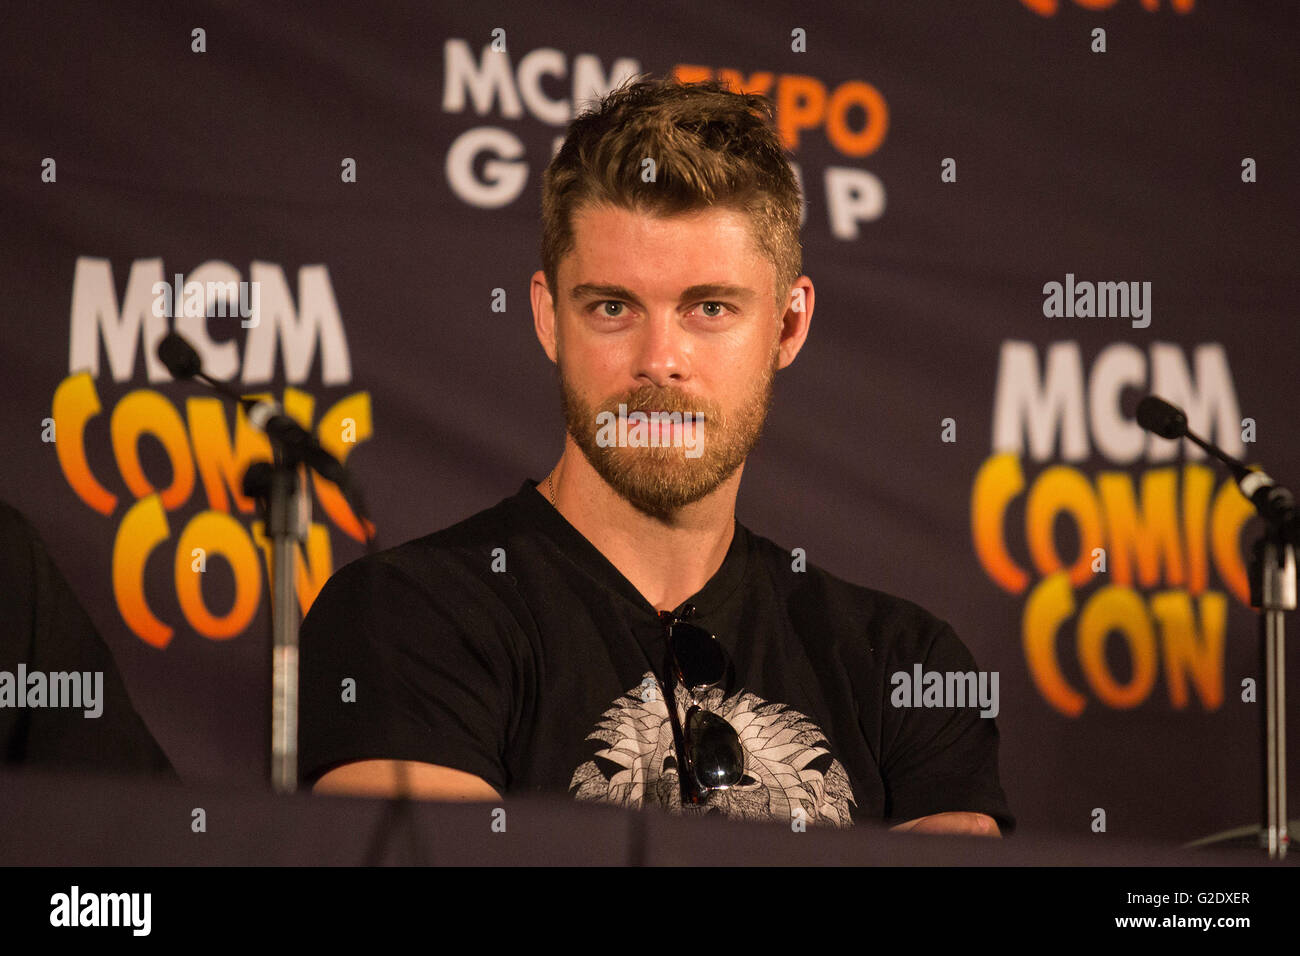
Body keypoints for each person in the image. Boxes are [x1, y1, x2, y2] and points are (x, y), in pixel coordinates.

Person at [298, 77, 1012, 835]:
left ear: (789, 326)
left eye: (710, 309)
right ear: (547, 319)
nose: (659, 360)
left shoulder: (904, 664)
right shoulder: (406, 617)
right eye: (612, 307)